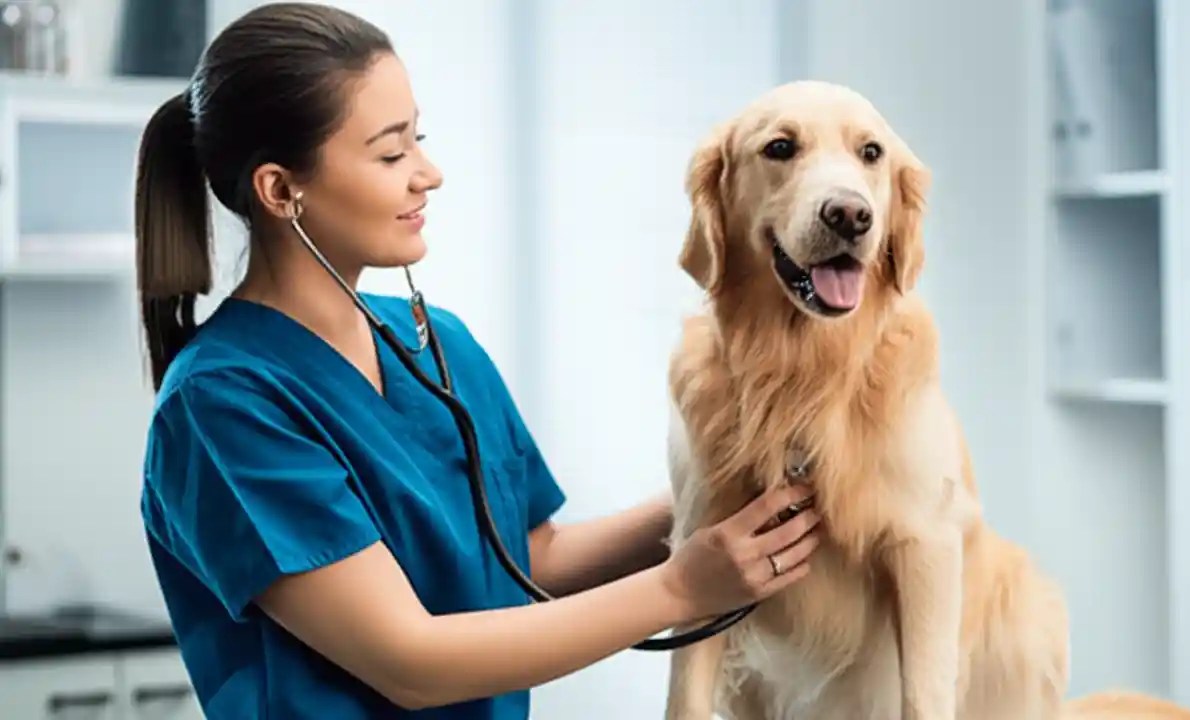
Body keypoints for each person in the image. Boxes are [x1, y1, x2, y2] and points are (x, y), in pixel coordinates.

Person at [134, 3, 821, 718]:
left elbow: (530, 560)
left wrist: (712, 503)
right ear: (281, 190)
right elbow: (412, 663)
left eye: (419, 140)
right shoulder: (223, 402)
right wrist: (684, 587)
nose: (428, 174)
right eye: (391, 152)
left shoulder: (441, 343)